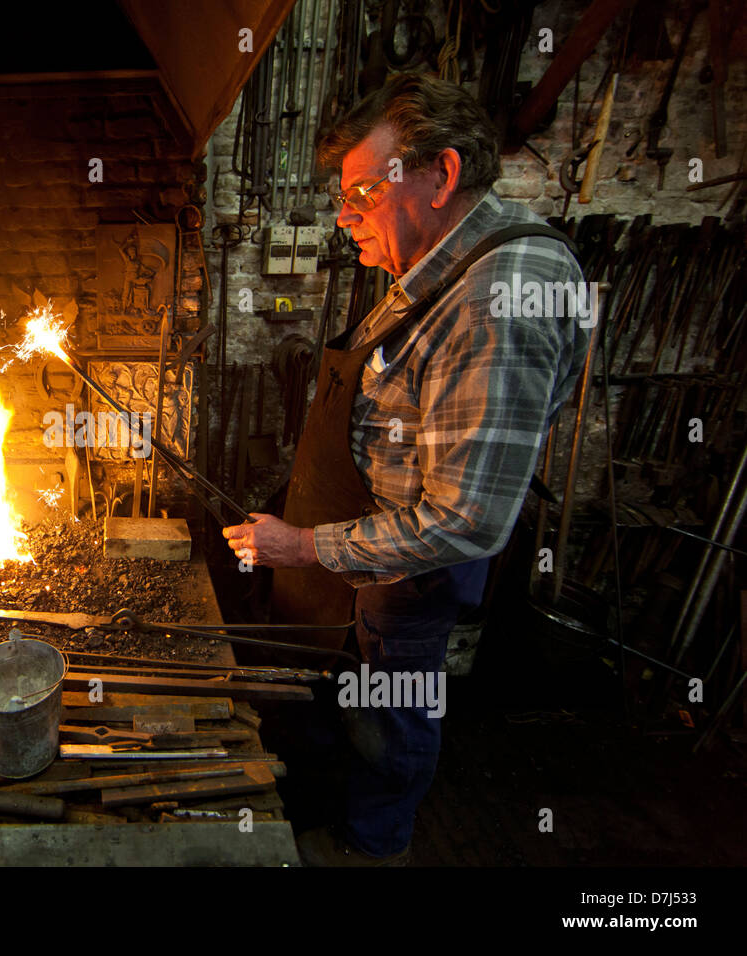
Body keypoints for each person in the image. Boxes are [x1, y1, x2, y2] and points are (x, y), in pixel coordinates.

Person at [222, 73, 589, 865]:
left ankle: (371, 849)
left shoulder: (503, 291)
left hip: (407, 579)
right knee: (354, 707)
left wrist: (303, 546)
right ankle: (346, 820)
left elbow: (464, 521)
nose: (343, 213)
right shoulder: (434, 272)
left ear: (441, 174)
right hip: (362, 560)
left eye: (362, 190)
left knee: (390, 722)